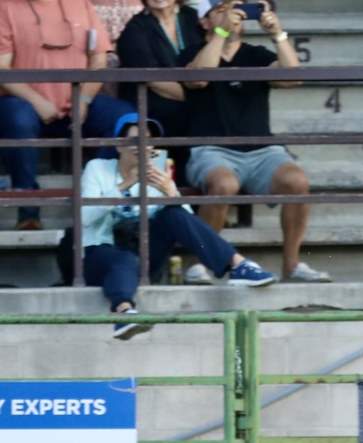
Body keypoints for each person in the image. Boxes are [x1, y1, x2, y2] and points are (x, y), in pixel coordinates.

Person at [110, 0, 279, 287]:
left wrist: (204, 90)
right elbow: (152, 79)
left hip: (200, 98)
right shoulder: (136, 28)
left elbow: (216, 49)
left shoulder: (193, 18)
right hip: (157, 103)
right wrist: (196, 90)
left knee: (221, 119)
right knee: (198, 120)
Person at [182, 0, 325, 280]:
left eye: (237, 10)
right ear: (205, 21)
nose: (232, 15)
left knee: (297, 181)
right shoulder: (192, 53)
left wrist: (277, 34)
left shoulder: (255, 54)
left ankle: (292, 265)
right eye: (221, 10)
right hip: (211, 149)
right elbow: (197, 78)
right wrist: (222, 33)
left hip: (261, 151)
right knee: (224, 183)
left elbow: (293, 77)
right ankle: (202, 265)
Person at [0, 0, 124, 225]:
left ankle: (100, 198)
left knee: (127, 119)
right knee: (18, 119)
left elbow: (99, 60)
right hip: (23, 103)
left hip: (77, 103)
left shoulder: (81, 5)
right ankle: (28, 212)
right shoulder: (2, 10)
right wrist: (37, 101)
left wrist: (83, 100)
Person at [80, 114, 256, 337]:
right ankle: (124, 313)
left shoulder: (158, 174)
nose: (142, 147)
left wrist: (170, 192)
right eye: (134, 140)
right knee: (124, 260)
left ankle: (237, 265)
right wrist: (126, 184)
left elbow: (188, 226)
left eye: (148, 141)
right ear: (118, 145)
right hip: (101, 256)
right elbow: (86, 217)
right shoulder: (97, 168)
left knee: (174, 213)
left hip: (144, 257)